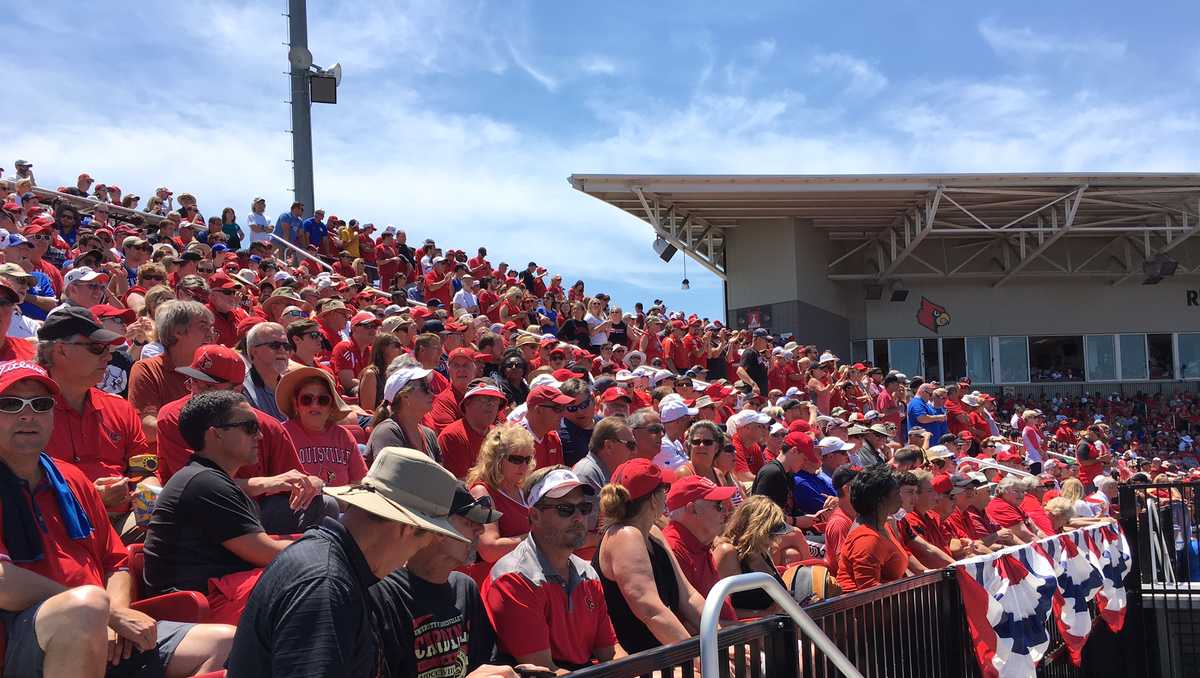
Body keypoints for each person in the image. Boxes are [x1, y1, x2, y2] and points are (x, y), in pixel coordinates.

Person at [0, 361, 235, 678]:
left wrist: (118, 612)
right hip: (24, 638)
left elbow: (116, 562)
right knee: (84, 606)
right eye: (10, 404)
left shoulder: (70, 479)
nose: (27, 415)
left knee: (226, 644)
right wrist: (104, 613)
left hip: (99, 623)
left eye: (40, 405)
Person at [227, 447, 468, 677]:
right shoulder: (325, 585)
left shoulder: (332, 564)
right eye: (423, 540)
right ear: (406, 527)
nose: (411, 557)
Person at [143, 391, 296, 624]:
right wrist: (327, 547)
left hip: (223, 595)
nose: (260, 435)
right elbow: (267, 554)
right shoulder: (205, 483)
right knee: (310, 581)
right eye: (249, 426)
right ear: (216, 434)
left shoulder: (208, 478)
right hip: (193, 608)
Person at [154, 344, 329, 535]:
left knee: (325, 504)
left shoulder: (268, 427)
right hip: (195, 515)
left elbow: (296, 479)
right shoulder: (174, 417)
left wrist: (311, 484)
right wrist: (264, 483)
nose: (197, 392)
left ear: (237, 390)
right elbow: (197, 488)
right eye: (194, 382)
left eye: (210, 387)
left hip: (255, 515)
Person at [370, 482, 529, 678]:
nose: (480, 530)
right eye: (470, 522)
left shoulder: (465, 587)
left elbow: (487, 664)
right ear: (437, 529)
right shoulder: (383, 595)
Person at [483, 466, 621, 672]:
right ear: (535, 515)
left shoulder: (588, 574)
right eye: (565, 509)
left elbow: (610, 653)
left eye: (583, 508)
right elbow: (544, 671)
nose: (578, 518)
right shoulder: (513, 579)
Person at [39, 308, 152, 532]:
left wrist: (148, 511)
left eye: (108, 349)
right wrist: (90, 496)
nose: (108, 356)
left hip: (123, 519)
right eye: (97, 348)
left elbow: (146, 471)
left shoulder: (119, 407)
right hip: (56, 523)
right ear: (61, 350)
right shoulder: (25, 412)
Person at [595, 458, 706, 653]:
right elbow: (651, 611)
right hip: (638, 661)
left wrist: (721, 640)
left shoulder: (653, 532)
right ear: (654, 499)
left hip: (663, 654)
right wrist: (700, 655)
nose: (667, 492)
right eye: (664, 487)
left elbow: (688, 596)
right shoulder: (625, 536)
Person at [128, 300, 214, 443]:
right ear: (178, 331)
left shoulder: (215, 368)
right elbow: (147, 428)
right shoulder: (148, 369)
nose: (211, 333)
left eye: (211, 327)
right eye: (203, 326)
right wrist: (206, 433)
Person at [465, 424, 535, 584]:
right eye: (516, 459)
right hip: (492, 583)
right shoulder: (480, 492)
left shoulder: (522, 488)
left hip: (521, 578)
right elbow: (489, 549)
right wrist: (538, 537)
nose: (523, 466)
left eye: (527, 459)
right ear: (497, 459)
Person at [662, 476, 737, 621]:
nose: (726, 512)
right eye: (718, 506)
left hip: (724, 637)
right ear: (693, 509)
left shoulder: (700, 542)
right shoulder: (673, 549)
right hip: (714, 641)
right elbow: (686, 626)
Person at [277, 366, 367, 487]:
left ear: (331, 406)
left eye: (323, 400)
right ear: (296, 404)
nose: (314, 405)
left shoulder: (344, 437)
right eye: (306, 399)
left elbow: (359, 481)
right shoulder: (282, 435)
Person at [712, 496, 793, 617]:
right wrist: (764, 614)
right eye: (770, 532)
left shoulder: (762, 551)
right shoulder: (728, 553)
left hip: (773, 629)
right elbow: (713, 609)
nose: (775, 538)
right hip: (746, 633)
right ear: (756, 529)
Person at [835, 464, 907, 593]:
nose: (901, 499)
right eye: (897, 494)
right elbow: (870, 593)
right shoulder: (867, 540)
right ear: (880, 500)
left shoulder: (883, 526)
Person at [366, 363, 441, 464]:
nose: (432, 394)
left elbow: (439, 477)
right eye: (425, 388)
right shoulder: (387, 432)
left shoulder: (429, 434)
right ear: (405, 396)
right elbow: (393, 477)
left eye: (430, 388)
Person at [439, 383, 506, 479]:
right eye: (484, 399)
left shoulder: (499, 435)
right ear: (467, 404)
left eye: (495, 400)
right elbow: (458, 484)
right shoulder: (452, 436)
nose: (490, 403)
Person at [242, 322, 291, 422]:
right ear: (254, 352)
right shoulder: (242, 391)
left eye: (286, 346)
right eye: (274, 345)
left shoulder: (293, 387)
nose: (282, 350)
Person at [985, 475, 1046, 543]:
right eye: (1016, 491)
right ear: (1003, 491)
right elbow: (1026, 536)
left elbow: (1036, 530)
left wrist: (1050, 543)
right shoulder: (1000, 506)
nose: (1021, 495)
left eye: (1022, 492)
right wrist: (1045, 551)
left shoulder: (1014, 505)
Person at [524, 384, 573, 468]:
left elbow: (557, 475)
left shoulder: (553, 438)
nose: (563, 414)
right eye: (558, 408)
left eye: (563, 408)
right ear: (538, 410)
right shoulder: (514, 440)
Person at [823, 465, 859, 577]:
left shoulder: (856, 514)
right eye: (861, 483)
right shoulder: (839, 523)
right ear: (847, 489)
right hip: (851, 590)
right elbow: (845, 566)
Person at [558, 377, 596, 467]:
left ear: (593, 400)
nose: (579, 412)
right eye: (572, 408)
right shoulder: (561, 436)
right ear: (562, 409)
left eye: (584, 405)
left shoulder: (604, 424)